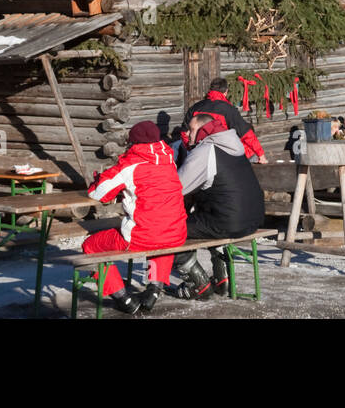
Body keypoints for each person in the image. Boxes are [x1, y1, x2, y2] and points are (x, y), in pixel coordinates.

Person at [86, 121, 187, 314]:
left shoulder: (130, 164)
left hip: (144, 235)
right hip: (176, 232)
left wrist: (97, 181)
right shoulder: (169, 160)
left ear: (132, 142)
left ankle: (123, 298)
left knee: (91, 246)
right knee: (162, 239)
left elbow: (99, 194)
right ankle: (154, 290)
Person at [171, 113, 266, 300]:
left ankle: (199, 284)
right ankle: (223, 278)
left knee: (170, 229)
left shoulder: (206, 151)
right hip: (253, 218)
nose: (188, 135)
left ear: (203, 129)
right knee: (203, 212)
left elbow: (177, 187)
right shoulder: (234, 145)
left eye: (191, 129)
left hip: (228, 222)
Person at [180, 77, 265, 162]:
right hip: (223, 152)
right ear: (226, 92)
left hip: (200, 150)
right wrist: (260, 154)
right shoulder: (228, 109)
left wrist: (191, 149)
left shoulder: (195, 107)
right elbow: (245, 133)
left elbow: (184, 132)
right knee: (251, 155)